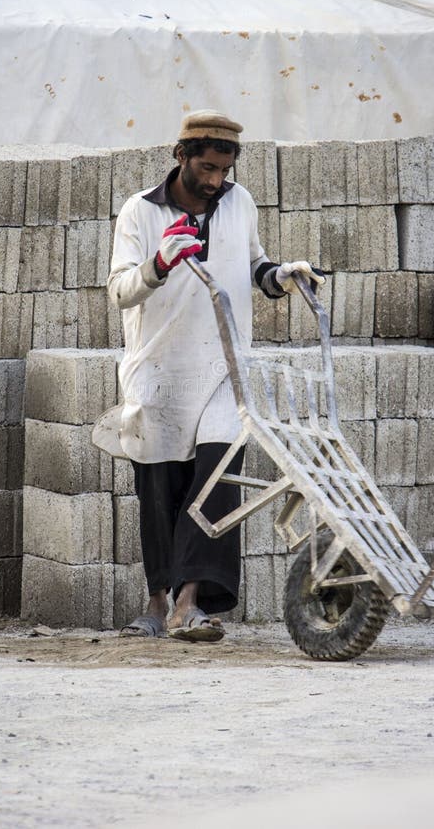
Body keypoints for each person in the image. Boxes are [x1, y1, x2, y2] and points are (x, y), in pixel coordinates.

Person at [101, 110, 324, 642]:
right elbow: (118, 290)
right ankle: (156, 602)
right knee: (160, 489)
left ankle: (189, 604)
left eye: (224, 170)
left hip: (225, 367)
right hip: (159, 368)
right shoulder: (140, 211)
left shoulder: (239, 202)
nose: (215, 181)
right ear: (180, 157)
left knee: (216, 480)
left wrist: (282, 275)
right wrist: (157, 264)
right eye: (206, 168)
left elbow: (254, 267)